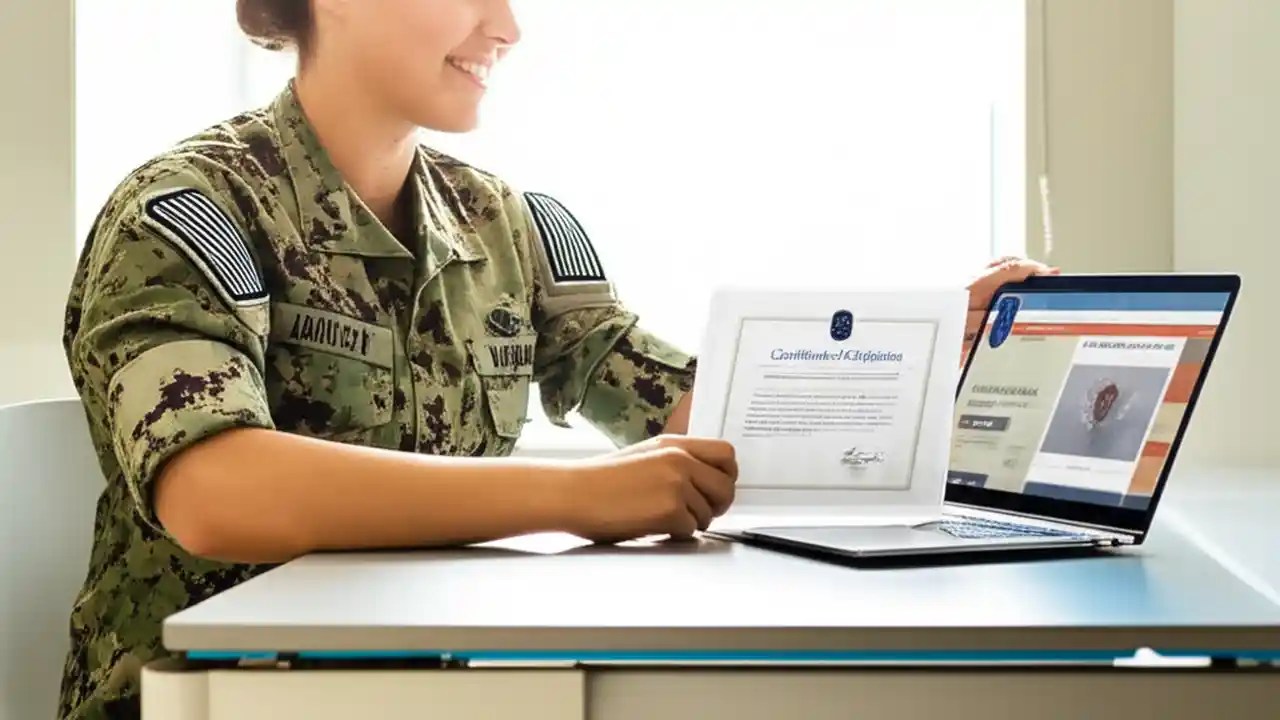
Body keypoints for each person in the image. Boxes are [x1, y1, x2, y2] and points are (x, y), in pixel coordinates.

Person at [58, 1, 1053, 716]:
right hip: (217, 698)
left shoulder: (507, 224)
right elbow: (213, 490)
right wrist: (575, 497)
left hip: (420, 690)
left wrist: (933, 348)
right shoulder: (186, 213)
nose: (507, 27)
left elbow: (702, 418)